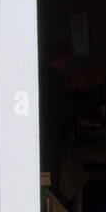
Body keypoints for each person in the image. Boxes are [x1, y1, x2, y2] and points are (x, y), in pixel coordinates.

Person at [40, 40, 75, 198]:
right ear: (62, 58)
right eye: (68, 59)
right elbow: (62, 111)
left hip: (42, 138)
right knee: (53, 181)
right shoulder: (55, 78)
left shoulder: (38, 74)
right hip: (53, 140)